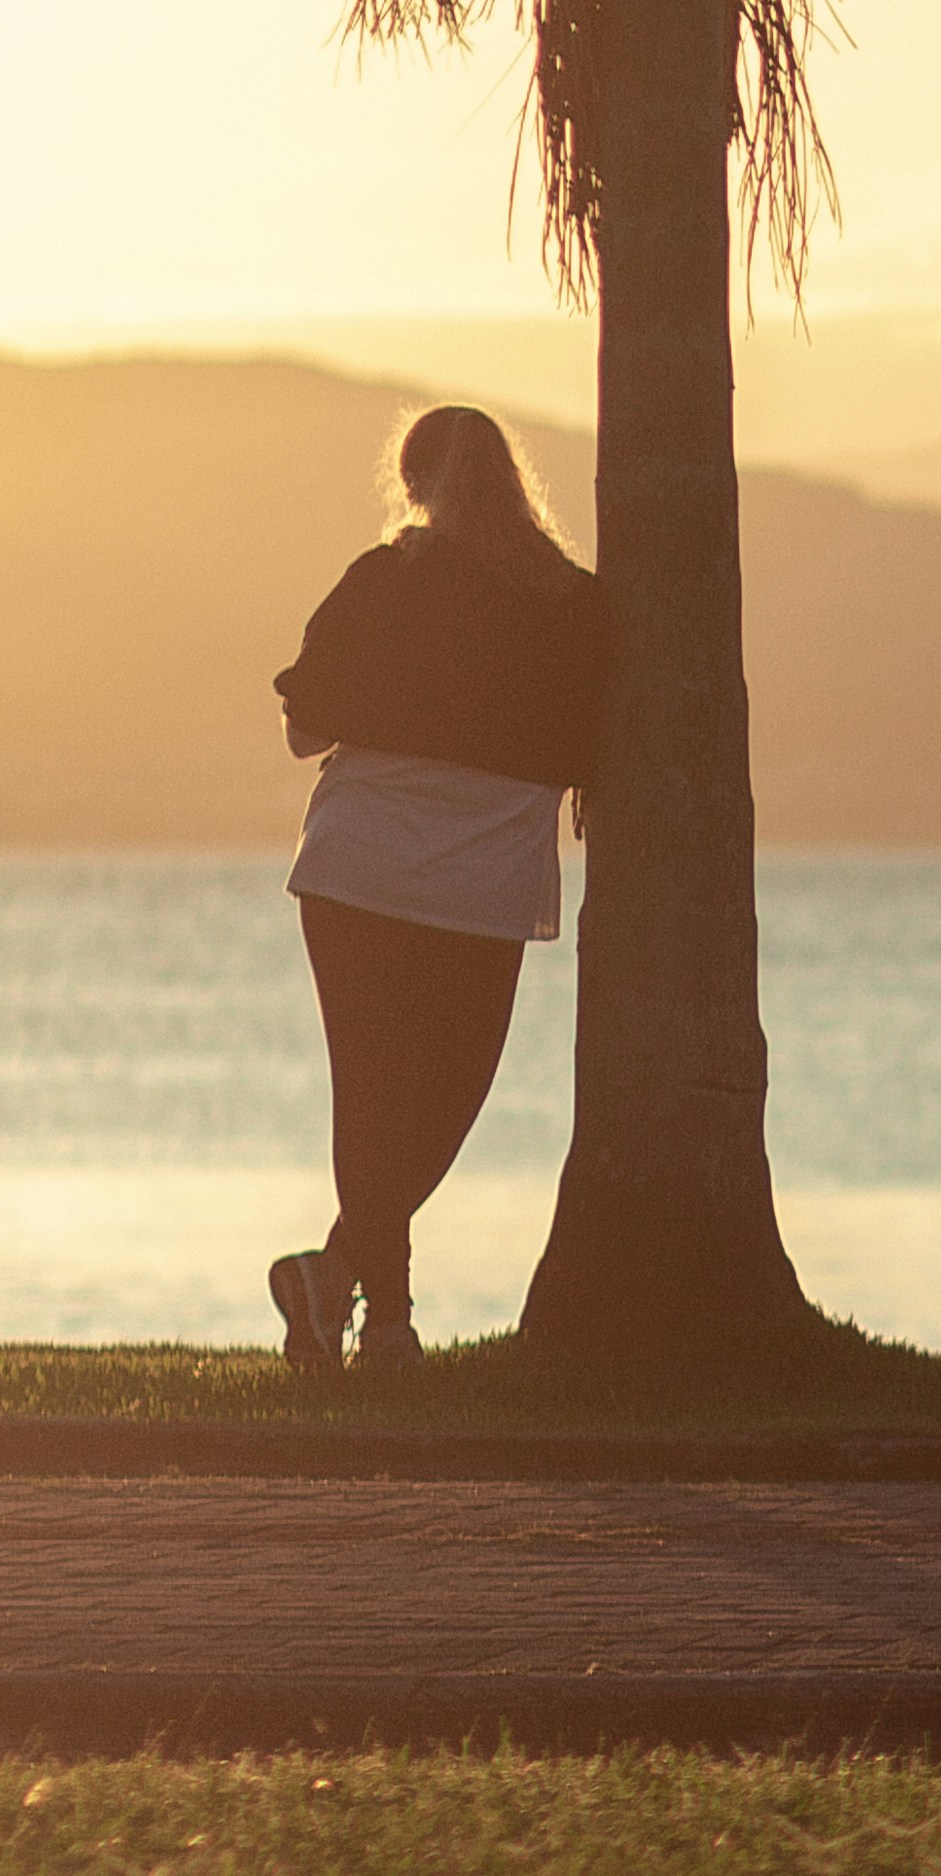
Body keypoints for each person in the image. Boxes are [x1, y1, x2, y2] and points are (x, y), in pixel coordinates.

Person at [266, 404, 606, 1370]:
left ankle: (358, 1298)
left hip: (358, 863)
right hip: (481, 880)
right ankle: (380, 1319)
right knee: (445, 1099)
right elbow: (593, 741)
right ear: (513, 482)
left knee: (369, 1094)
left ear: (415, 486)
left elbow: (305, 727)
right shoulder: (570, 607)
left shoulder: (382, 582)